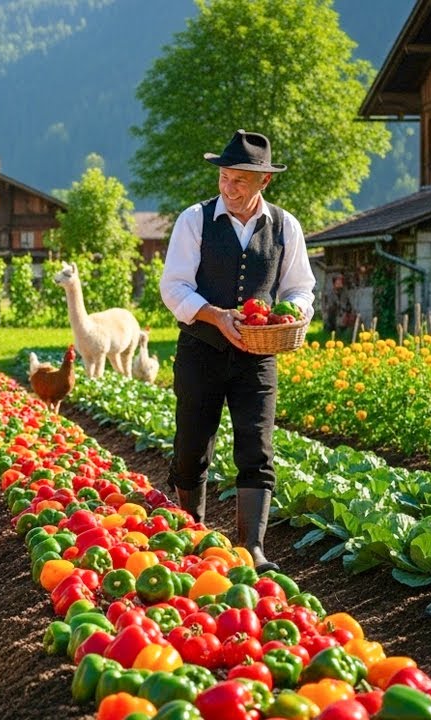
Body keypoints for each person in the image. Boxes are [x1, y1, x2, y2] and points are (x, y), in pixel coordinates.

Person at [159, 129, 315, 571]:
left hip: (258, 357)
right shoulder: (195, 219)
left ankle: (253, 549)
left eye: (239, 181)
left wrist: (292, 313)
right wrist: (216, 315)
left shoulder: (285, 226)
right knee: (192, 445)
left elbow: (301, 288)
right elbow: (174, 287)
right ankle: (192, 536)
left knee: (257, 448)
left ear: (264, 182)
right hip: (202, 349)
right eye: (224, 178)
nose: (228, 188)